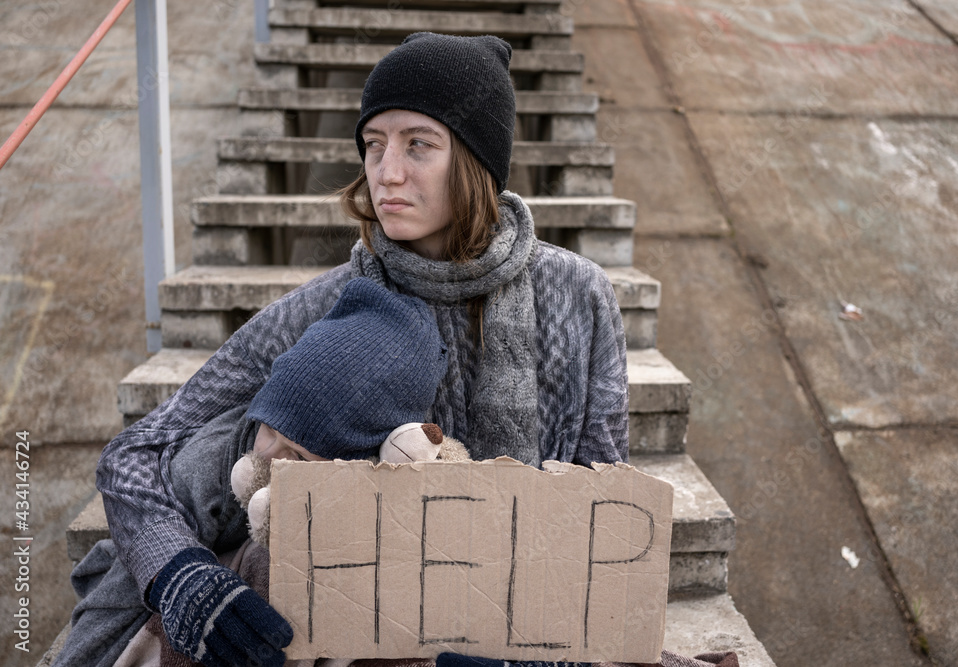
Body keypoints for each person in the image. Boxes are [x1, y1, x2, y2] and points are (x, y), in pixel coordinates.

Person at [84, 31, 629, 667]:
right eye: (374, 145)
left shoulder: (579, 294)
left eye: (418, 145)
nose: (386, 172)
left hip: (526, 623)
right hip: (356, 625)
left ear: (477, 161)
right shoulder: (330, 306)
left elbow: (605, 508)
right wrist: (180, 576)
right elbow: (133, 454)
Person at [55, 276, 449, 667]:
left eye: (298, 453)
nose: (273, 455)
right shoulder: (218, 462)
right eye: (270, 430)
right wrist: (180, 579)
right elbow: (124, 462)